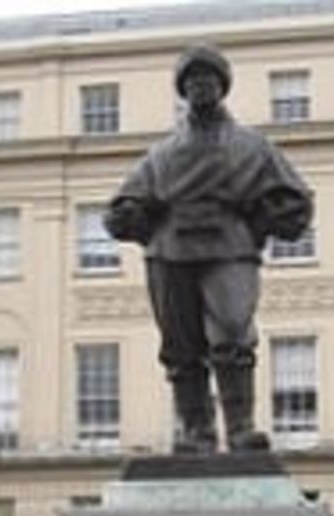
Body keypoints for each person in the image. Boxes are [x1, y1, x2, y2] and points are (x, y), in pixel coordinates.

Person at [105, 44, 313, 454]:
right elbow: (121, 208)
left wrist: (264, 219)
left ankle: (239, 428)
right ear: (183, 91)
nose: (201, 86)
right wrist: (133, 214)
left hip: (229, 246)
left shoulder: (252, 146)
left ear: (222, 87)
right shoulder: (161, 154)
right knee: (180, 348)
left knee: (233, 334)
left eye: (209, 79)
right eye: (193, 80)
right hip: (170, 249)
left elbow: (296, 201)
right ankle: (197, 431)